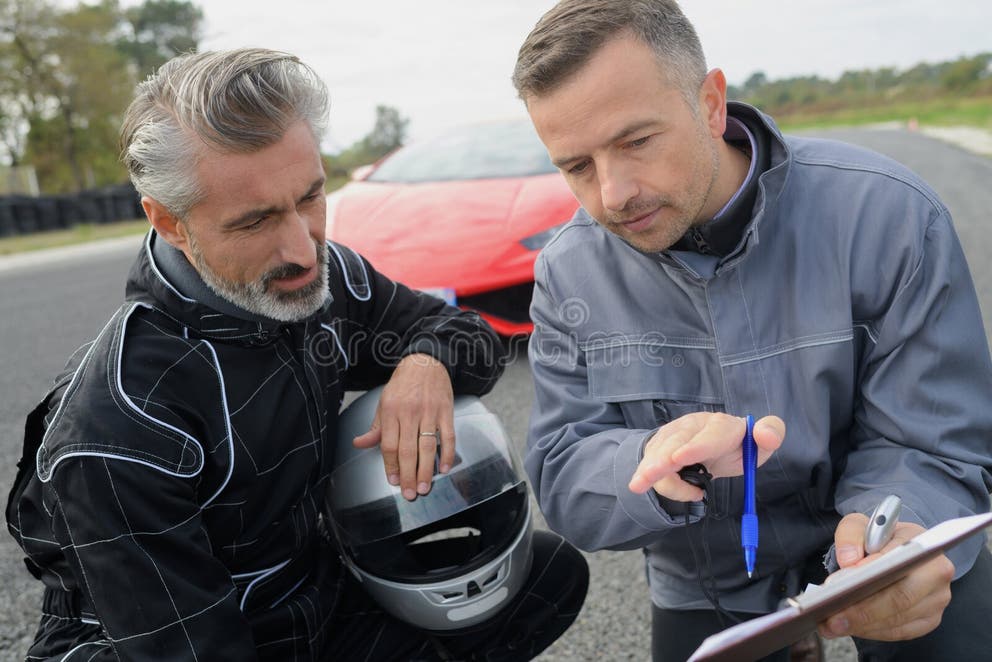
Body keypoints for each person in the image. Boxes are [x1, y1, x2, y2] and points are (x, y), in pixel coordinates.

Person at [5, 48, 587, 661]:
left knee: (542, 577)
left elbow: (472, 336)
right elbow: (191, 648)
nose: (303, 249)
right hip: (164, 637)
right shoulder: (121, 421)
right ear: (170, 222)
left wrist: (426, 362)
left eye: (310, 197)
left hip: (306, 597)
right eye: (255, 221)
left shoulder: (325, 281)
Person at [512, 2, 992, 661]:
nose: (614, 193)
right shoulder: (568, 274)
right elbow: (565, 470)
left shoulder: (888, 216)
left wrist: (904, 524)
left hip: (878, 539)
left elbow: (936, 439)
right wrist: (652, 455)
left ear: (710, 102)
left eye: (636, 141)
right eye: (577, 167)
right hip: (707, 579)